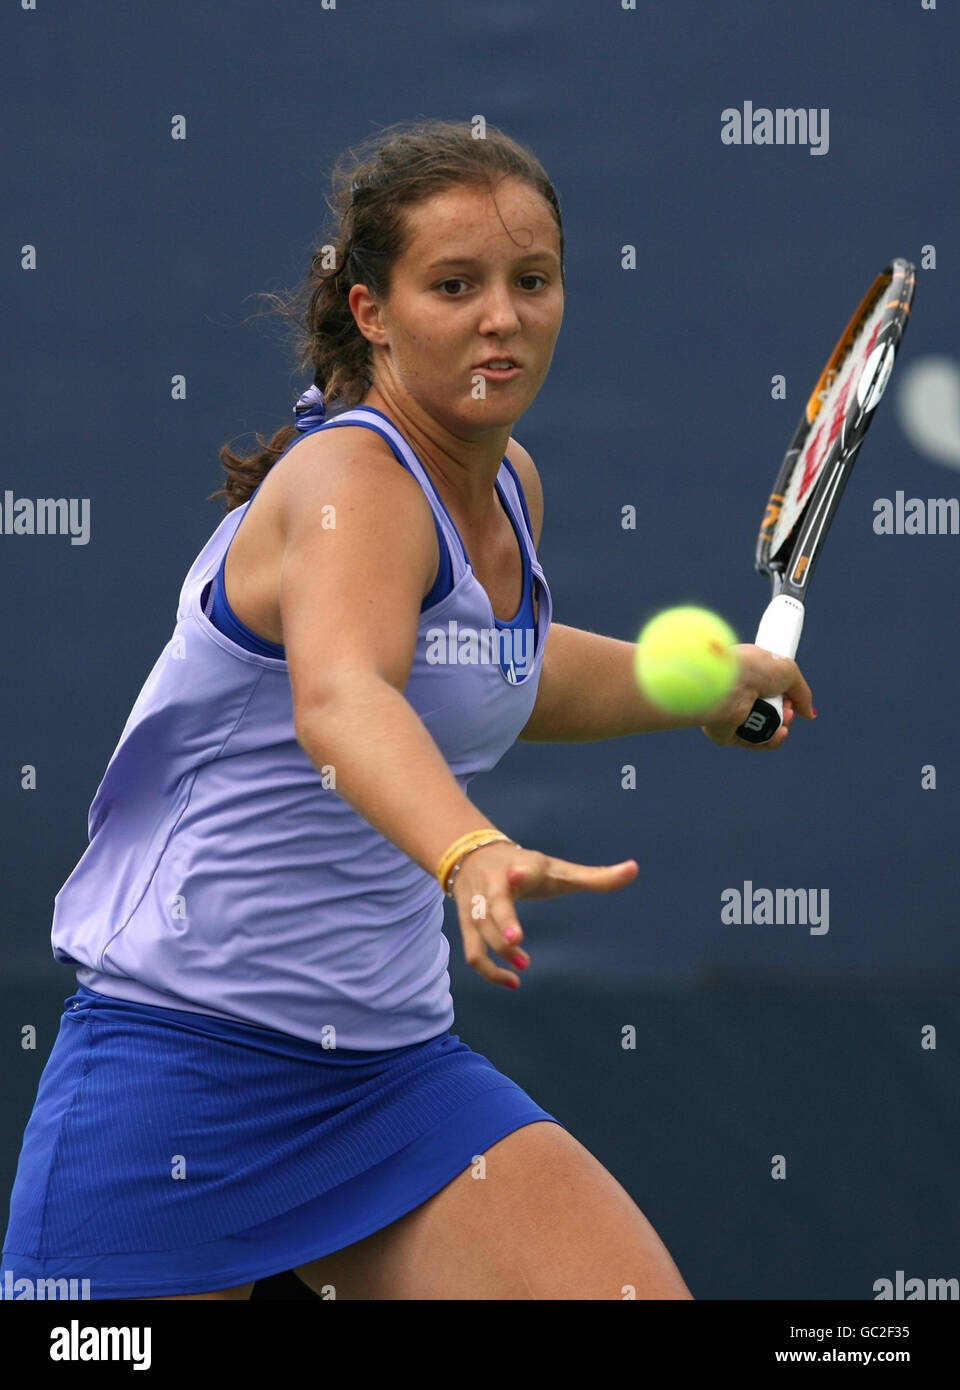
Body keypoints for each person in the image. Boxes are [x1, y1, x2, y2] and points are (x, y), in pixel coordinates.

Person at [1, 119, 813, 1302]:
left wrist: (690, 681)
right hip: (177, 1065)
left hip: (386, 1079)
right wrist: (468, 846)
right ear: (372, 311)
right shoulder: (347, 485)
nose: (504, 317)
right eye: (455, 285)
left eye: (532, 281)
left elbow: (498, 671)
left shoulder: (506, 481)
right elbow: (344, 695)